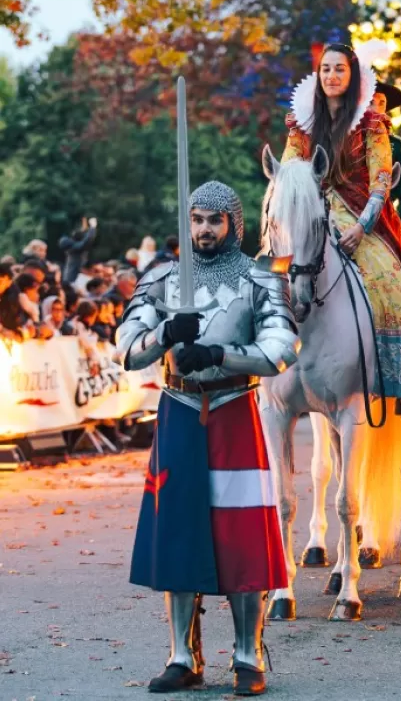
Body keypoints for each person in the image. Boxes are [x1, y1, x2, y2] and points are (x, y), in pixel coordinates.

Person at [117, 180, 298, 696]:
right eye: (196, 219)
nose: (203, 229)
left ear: (232, 225)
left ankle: (247, 656)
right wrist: (164, 337)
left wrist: (220, 355)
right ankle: (181, 655)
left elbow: (280, 347)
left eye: (213, 221)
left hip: (234, 407)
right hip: (177, 410)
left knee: (243, 537)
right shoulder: (161, 280)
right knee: (178, 532)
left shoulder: (260, 279)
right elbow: (126, 349)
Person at [282, 42, 401, 410]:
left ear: (353, 77)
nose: (332, 76)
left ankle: (400, 382)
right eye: (326, 69)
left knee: (396, 288)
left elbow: (382, 180)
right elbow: (290, 170)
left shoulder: (372, 122)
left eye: (340, 69)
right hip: (312, 214)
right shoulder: (300, 122)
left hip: (361, 217)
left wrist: (363, 227)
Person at [371, 81, 401, 230]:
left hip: (380, 228)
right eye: (370, 103)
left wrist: (392, 230)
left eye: (381, 103)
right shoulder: (342, 142)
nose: (376, 109)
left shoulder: (399, 148)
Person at [59, 217, 98, 285]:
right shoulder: (73, 247)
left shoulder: (73, 245)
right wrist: (92, 227)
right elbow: (86, 242)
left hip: (74, 278)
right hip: (73, 280)